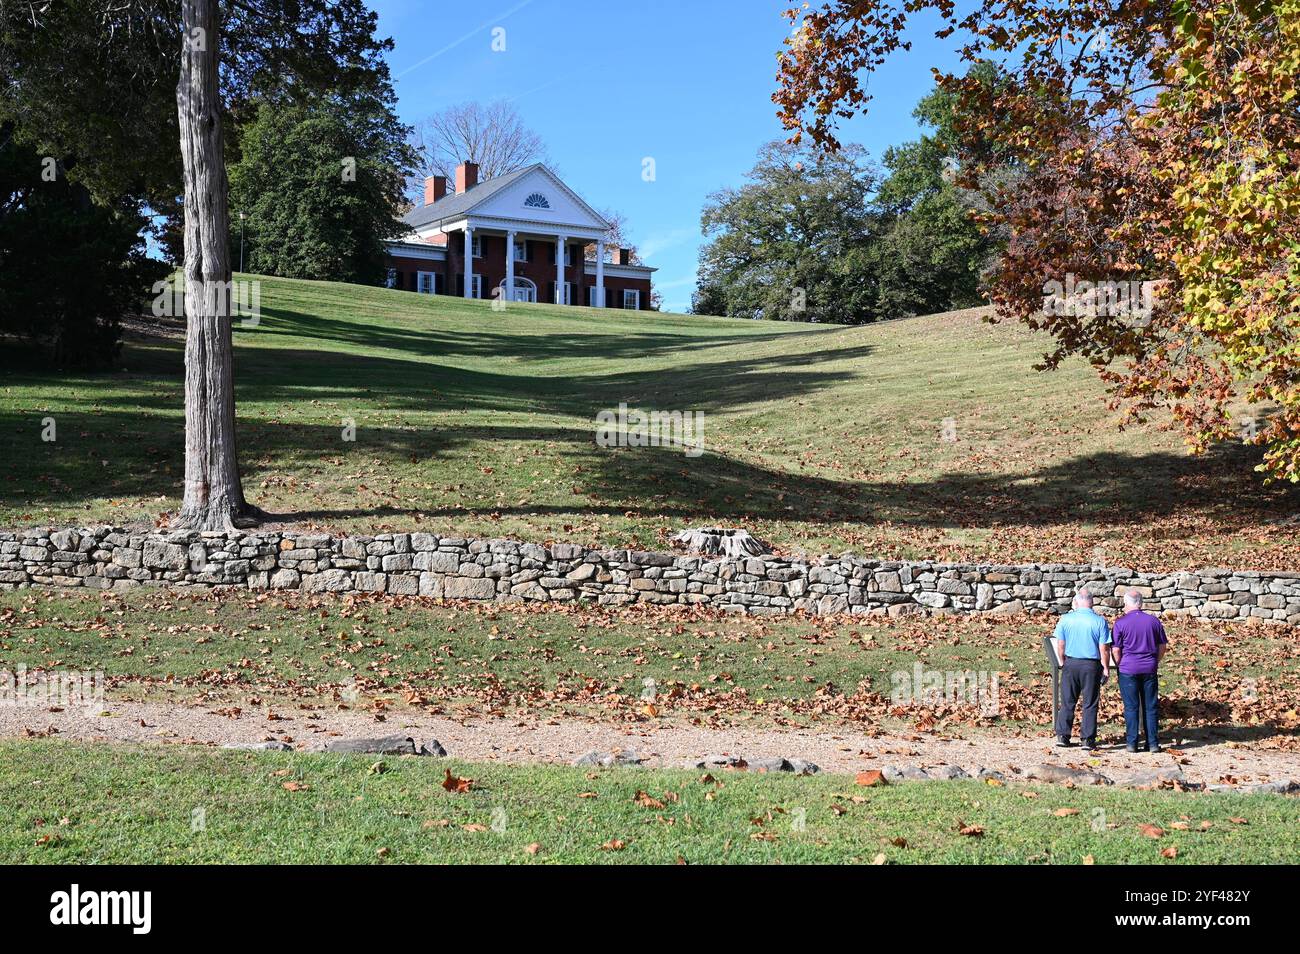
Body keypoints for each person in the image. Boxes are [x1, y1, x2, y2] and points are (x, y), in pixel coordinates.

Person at [1051, 588, 1112, 750]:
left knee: (1067, 701)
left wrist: (1063, 660)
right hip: (1091, 665)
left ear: (1076, 601)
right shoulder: (1100, 621)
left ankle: (1063, 736)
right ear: (1091, 602)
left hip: (1071, 663)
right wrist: (1106, 667)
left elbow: (1060, 644)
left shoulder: (1066, 619)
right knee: (1090, 703)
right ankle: (1087, 739)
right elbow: (1104, 648)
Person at [1111, 589, 1168, 753]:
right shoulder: (1153, 621)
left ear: (1126, 603)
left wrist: (1120, 664)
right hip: (1149, 667)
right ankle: (1153, 743)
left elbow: (1116, 649)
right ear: (1141, 603)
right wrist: (1155, 661)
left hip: (1128, 668)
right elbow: (1162, 646)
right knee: (1150, 706)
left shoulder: (1120, 623)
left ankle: (1132, 743)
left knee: (1131, 707)